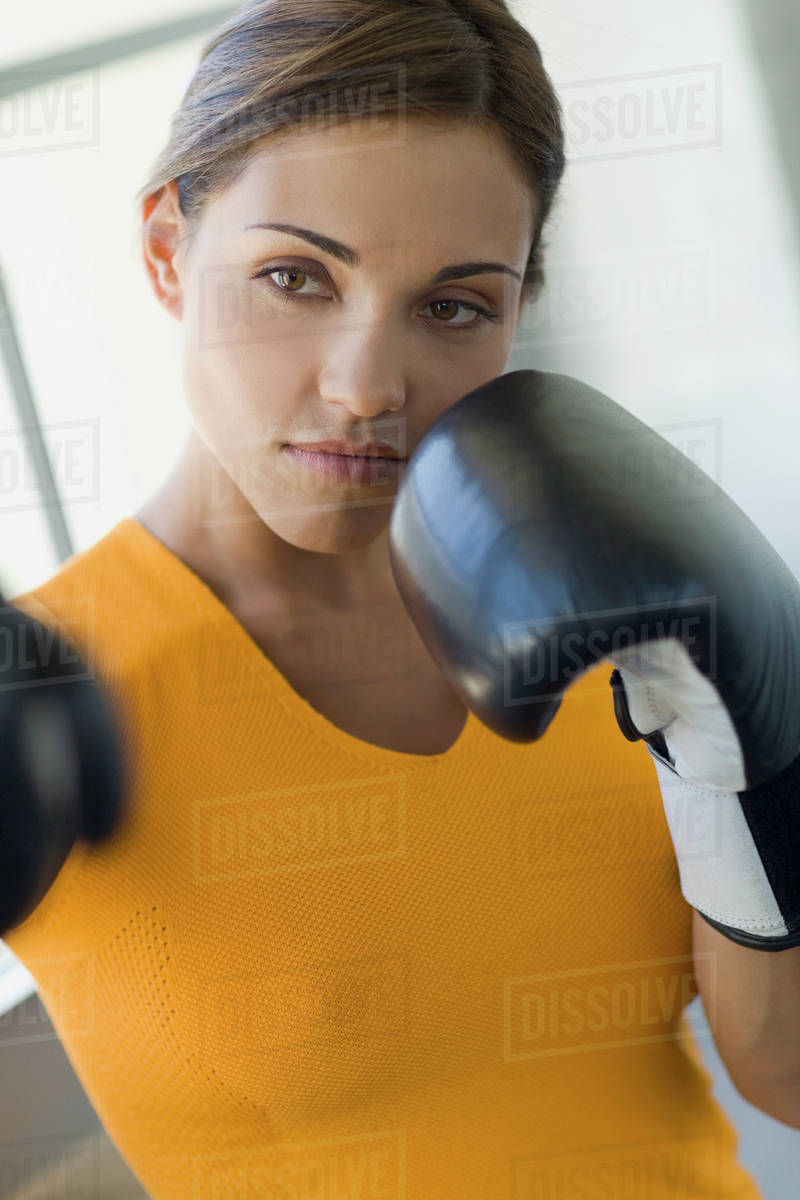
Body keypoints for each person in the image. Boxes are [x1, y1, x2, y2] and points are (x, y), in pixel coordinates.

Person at [2, 2, 772, 1197]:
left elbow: (780, 1068)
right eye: (294, 277)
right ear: (165, 253)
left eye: (451, 306)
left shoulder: (611, 607)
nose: (367, 387)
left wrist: (753, 766)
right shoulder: (54, 687)